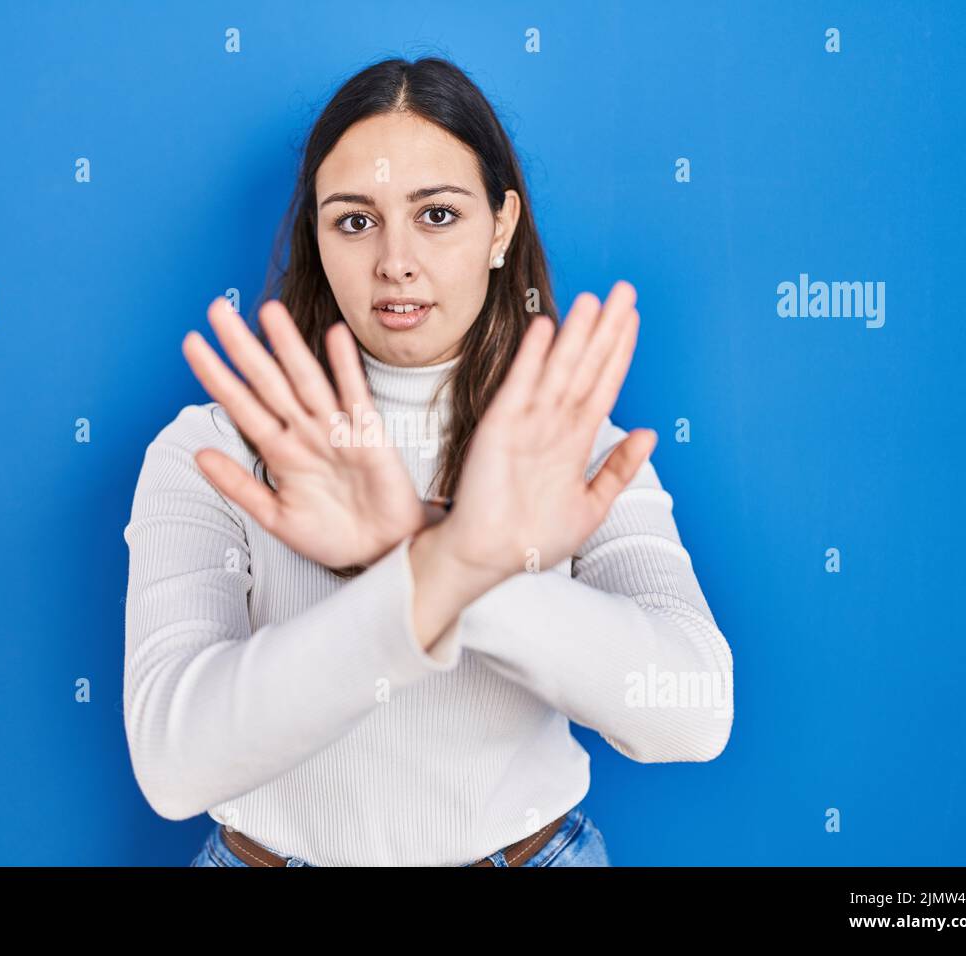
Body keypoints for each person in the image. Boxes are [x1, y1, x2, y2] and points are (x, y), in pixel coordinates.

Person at [122, 56, 734, 867]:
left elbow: (691, 714)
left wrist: (422, 556)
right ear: (317, 233)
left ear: (501, 228)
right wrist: (441, 569)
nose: (395, 262)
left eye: (437, 215)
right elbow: (174, 765)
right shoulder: (214, 450)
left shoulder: (574, 445)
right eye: (354, 220)